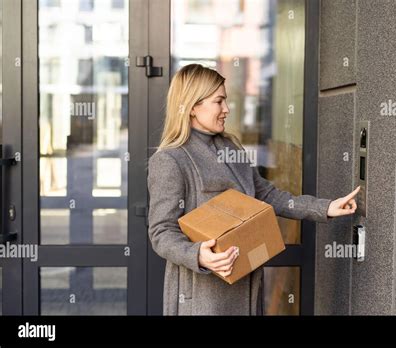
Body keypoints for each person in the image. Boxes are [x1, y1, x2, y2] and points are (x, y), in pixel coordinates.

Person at [147, 64, 360, 315]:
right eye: (219, 101)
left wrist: (324, 207)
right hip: (203, 299)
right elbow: (161, 231)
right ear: (193, 106)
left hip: (247, 286)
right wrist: (198, 255)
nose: (226, 109)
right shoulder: (171, 159)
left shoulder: (231, 148)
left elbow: (267, 195)